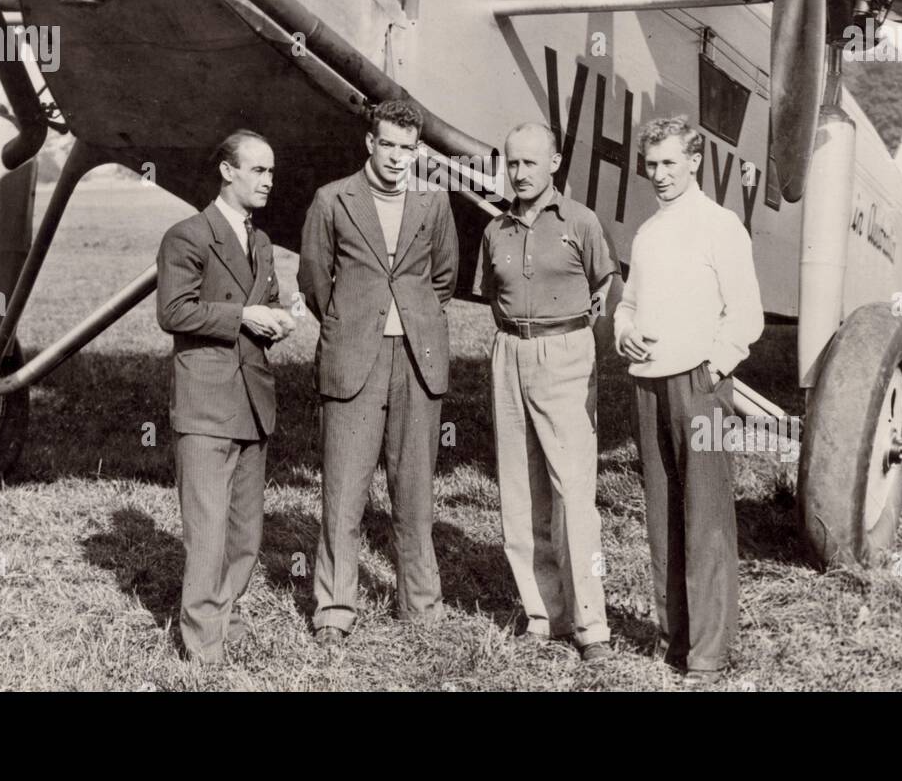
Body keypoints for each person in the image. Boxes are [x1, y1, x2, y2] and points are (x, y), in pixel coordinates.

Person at [299, 99, 459, 644]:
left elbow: (443, 280)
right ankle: (334, 610)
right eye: (387, 145)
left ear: (418, 151)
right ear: (370, 143)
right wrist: (354, 324)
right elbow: (316, 280)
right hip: (354, 361)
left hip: (417, 360)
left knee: (414, 491)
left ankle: (421, 603)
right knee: (344, 492)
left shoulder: (433, 203)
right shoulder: (332, 199)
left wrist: (408, 322)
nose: (396, 157)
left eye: (407, 148)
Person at [614, 116, 763, 682]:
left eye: (670, 163)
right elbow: (629, 305)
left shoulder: (721, 226)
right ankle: (673, 640)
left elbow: (745, 316)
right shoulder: (647, 232)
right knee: (662, 514)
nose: (659, 175)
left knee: (706, 516)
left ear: (695, 161)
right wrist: (623, 328)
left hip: (700, 388)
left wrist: (712, 368)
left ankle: (708, 652)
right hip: (648, 383)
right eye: (651, 165)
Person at [475, 123, 618, 664]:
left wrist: (573, 341)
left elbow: (604, 284)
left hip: (566, 353)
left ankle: (592, 626)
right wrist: (519, 341)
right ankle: (544, 613)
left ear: (554, 163)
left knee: (574, 492)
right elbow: (493, 297)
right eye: (512, 163)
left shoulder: (580, 222)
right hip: (510, 351)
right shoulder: (496, 229)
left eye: (531, 163)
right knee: (519, 488)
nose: (520, 172)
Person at [156, 129, 294, 664]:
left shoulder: (259, 241)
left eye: (271, 172)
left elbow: (269, 299)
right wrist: (242, 316)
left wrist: (279, 319)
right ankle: (202, 643)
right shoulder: (188, 236)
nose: (268, 181)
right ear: (227, 171)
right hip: (206, 403)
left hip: (253, 399)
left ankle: (225, 612)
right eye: (258, 170)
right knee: (208, 530)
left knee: (245, 530)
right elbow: (173, 311)